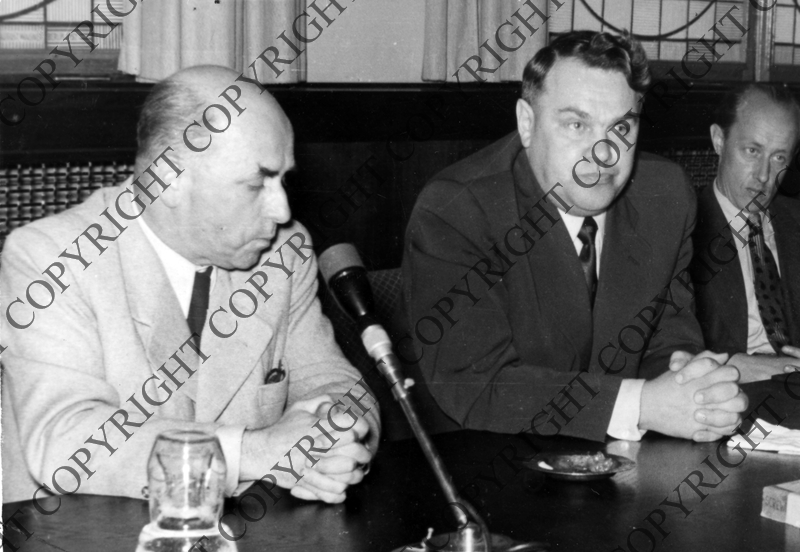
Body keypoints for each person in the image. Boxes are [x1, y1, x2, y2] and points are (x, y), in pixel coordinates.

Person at [1, 65, 379, 504]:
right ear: (169, 181)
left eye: (284, 180)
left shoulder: (282, 254)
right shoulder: (52, 258)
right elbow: (65, 442)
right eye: (258, 183)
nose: (281, 211)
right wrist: (259, 451)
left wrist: (334, 435)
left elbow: (332, 380)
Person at [402, 31, 747, 444]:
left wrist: (692, 382)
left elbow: (667, 336)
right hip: (483, 462)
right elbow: (475, 386)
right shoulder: (457, 209)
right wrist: (642, 405)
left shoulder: (665, 196)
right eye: (576, 124)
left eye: (621, 127)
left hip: (618, 467)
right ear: (526, 124)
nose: (603, 154)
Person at [692, 84, 800, 383]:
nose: (764, 175)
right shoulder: (681, 227)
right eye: (752, 151)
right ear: (718, 140)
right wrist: (732, 365)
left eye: (779, 158)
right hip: (726, 394)